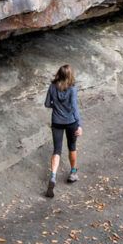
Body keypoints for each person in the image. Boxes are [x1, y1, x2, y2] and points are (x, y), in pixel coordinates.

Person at [43, 64, 81, 198]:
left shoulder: (52, 87)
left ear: (59, 73)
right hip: (71, 121)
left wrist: (56, 105)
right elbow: (75, 107)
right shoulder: (72, 88)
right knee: (72, 147)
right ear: (70, 75)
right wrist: (79, 125)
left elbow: (47, 104)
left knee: (57, 150)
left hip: (57, 121)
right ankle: (73, 173)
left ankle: (53, 177)